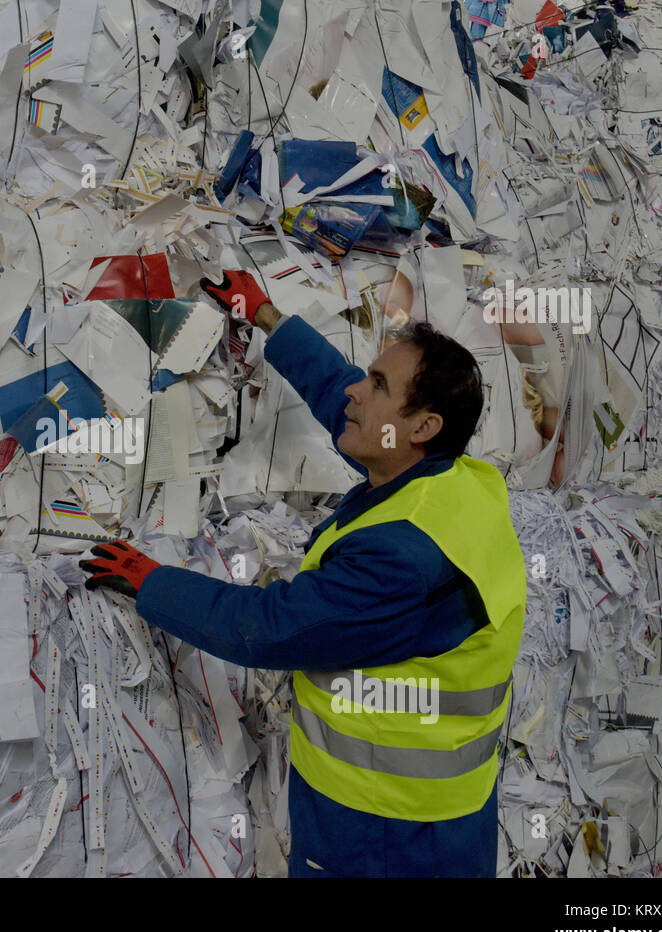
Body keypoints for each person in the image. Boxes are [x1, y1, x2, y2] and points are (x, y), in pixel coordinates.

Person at [80, 269, 526, 877]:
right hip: (448, 817)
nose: (355, 393)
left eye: (377, 384)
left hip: (383, 832)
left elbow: (269, 629)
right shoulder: (454, 483)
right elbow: (336, 389)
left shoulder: (401, 559)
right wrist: (265, 315)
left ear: (423, 427)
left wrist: (152, 582)